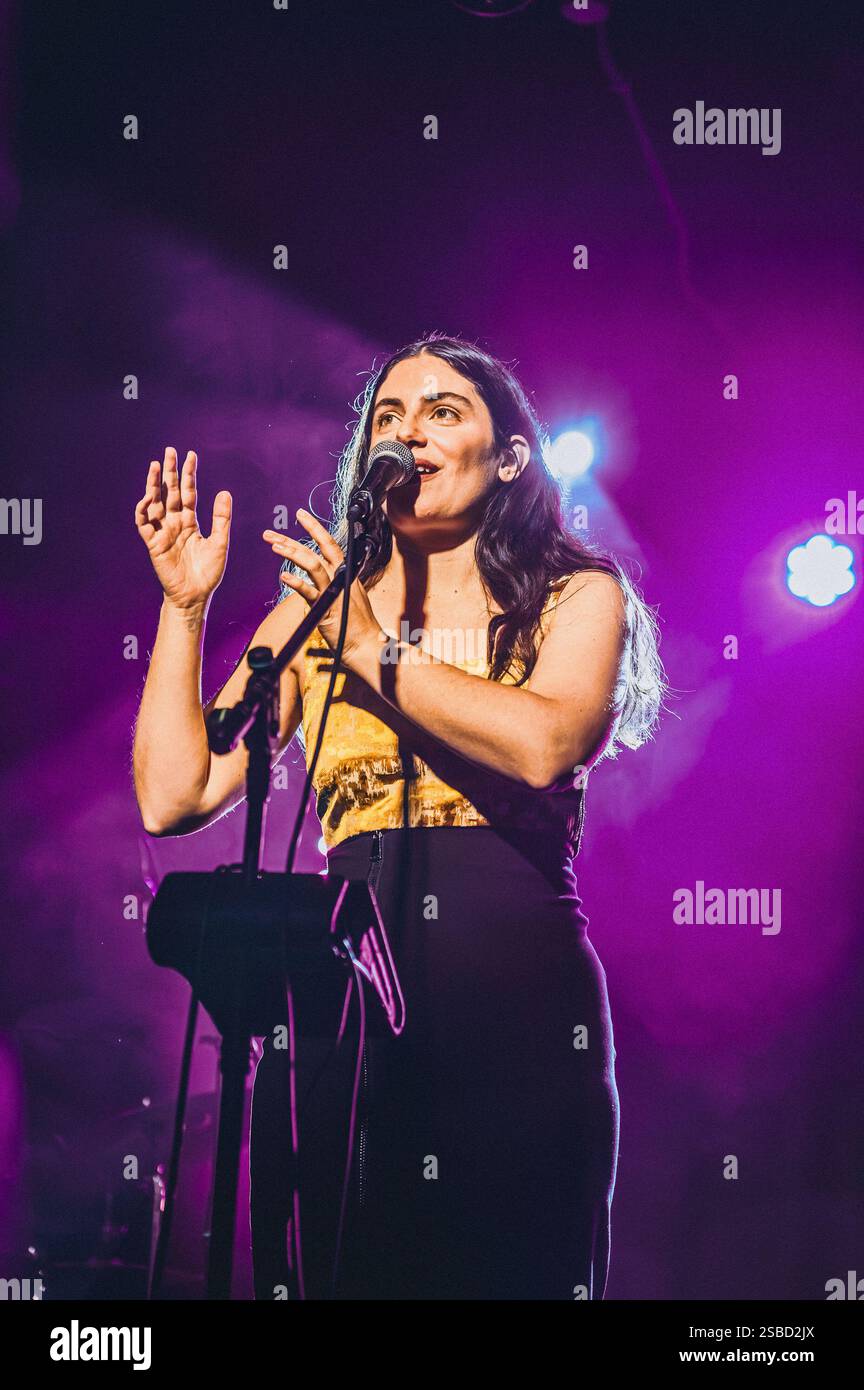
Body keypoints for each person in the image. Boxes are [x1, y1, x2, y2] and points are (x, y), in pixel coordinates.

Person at [133, 332, 666, 1301]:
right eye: (388, 414)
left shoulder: (574, 593)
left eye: (442, 410)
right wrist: (184, 610)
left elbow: (549, 743)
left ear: (510, 457)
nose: (407, 430)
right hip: (347, 990)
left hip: (521, 995)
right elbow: (177, 794)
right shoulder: (323, 609)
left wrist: (372, 651)